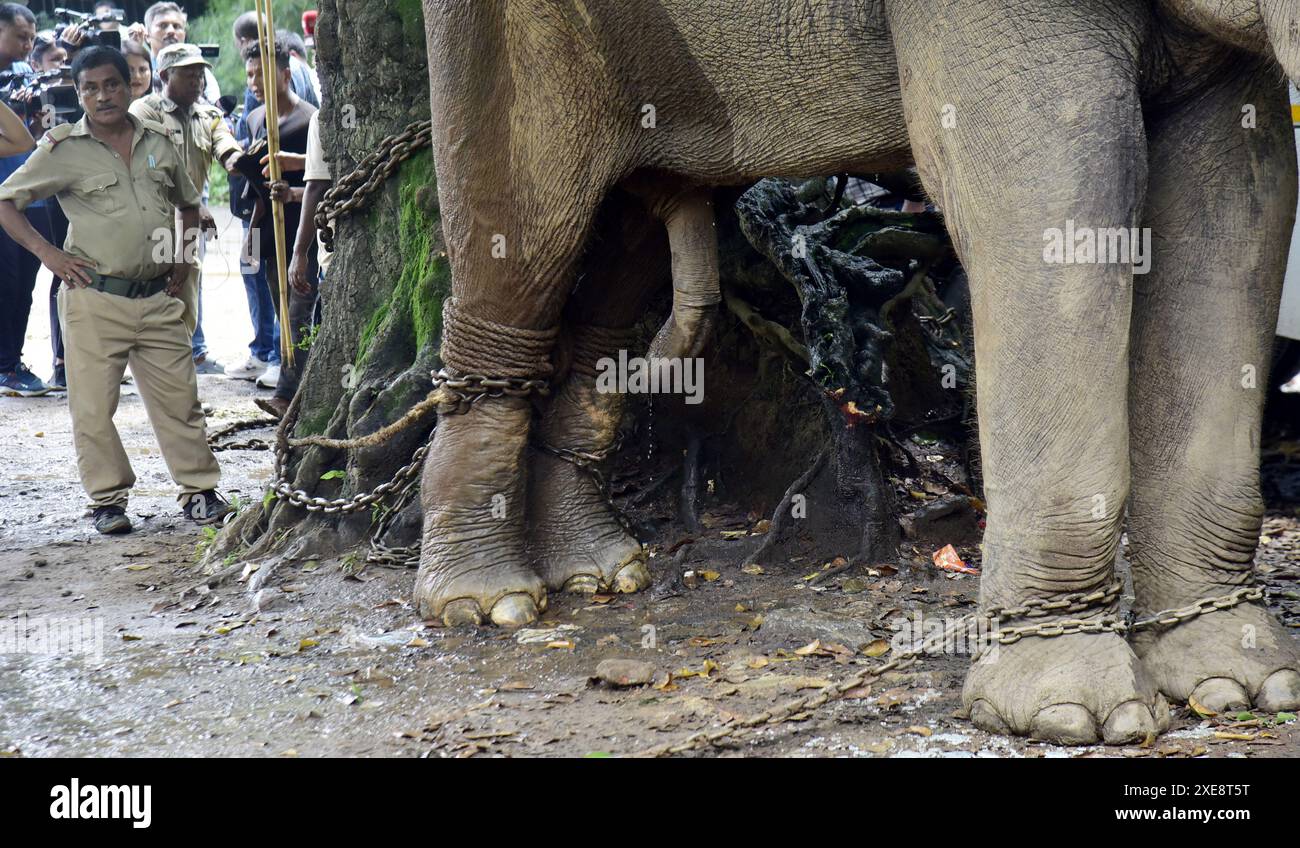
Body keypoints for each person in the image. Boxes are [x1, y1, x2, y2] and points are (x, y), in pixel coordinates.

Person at [0, 46, 233, 534]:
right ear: (79, 93)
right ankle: (107, 501)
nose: (101, 96)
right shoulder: (63, 149)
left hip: (157, 297)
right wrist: (50, 255)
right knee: (92, 407)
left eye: (111, 85)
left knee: (181, 400)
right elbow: (6, 202)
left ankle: (200, 491)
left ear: (131, 86)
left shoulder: (159, 141)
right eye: (90, 88)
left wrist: (181, 258)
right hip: (94, 298)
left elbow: (189, 205)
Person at [130, 43, 242, 374]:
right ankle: (154, 376)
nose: (197, 81)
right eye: (188, 74)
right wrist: (194, 201)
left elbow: (227, 148)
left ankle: (179, 378)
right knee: (152, 308)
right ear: (165, 75)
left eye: (200, 75)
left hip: (187, 228)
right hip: (151, 226)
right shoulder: (144, 112)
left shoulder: (208, 116)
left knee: (185, 304)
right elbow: (151, 164)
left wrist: (241, 161)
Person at [241, 37, 316, 415]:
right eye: (250, 73)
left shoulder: (309, 119)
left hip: (304, 232)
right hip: (269, 232)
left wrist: (293, 193)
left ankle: (288, 395)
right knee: (282, 310)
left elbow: (325, 181)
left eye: (263, 73)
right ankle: (292, 389)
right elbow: (258, 188)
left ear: (286, 74)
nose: (255, 81)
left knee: (300, 313)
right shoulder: (255, 119)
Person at [0, 3, 50, 396]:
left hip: (28, 195)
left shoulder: (25, 76)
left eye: (32, 38)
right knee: (7, 281)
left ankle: (11, 362)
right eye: (20, 36)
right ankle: (4, 365)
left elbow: (33, 136)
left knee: (23, 285)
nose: (26, 45)